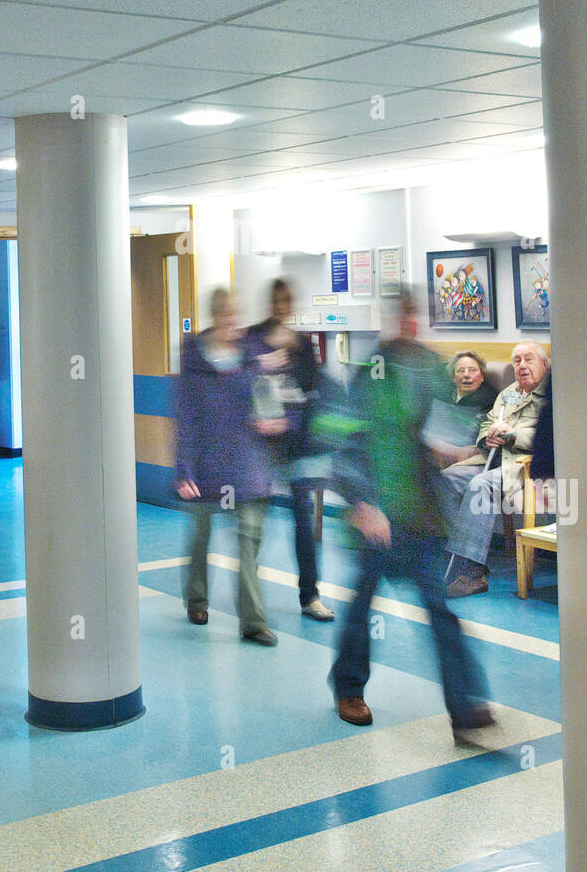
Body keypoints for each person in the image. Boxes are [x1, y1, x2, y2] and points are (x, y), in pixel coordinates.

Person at [325, 290, 494, 739]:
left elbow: (445, 432)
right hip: (375, 520)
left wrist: (450, 448)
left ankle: (464, 708)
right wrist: (362, 502)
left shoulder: (435, 370)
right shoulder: (369, 374)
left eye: (412, 316)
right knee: (361, 608)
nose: (407, 325)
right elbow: (345, 444)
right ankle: (348, 688)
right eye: (399, 317)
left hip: (421, 519)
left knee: (440, 610)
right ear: (388, 322)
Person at [176, 287, 284, 646]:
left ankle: (253, 623)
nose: (232, 324)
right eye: (226, 317)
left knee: (248, 546)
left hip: (247, 468)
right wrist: (184, 470)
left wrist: (277, 423)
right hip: (207, 469)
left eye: (236, 317)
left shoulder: (253, 359)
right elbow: (186, 419)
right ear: (215, 318)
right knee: (201, 537)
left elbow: (273, 406)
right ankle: (196, 600)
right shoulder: (193, 360)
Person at [247, 279, 334, 622]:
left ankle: (309, 595)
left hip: (295, 446)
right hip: (259, 447)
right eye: (277, 300)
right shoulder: (251, 339)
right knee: (253, 521)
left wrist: (296, 425)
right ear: (269, 303)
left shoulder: (301, 344)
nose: (282, 306)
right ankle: (249, 600)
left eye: (287, 301)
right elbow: (240, 381)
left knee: (302, 520)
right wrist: (262, 362)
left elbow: (314, 391)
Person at [442, 340, 554, 597]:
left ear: (544, 365)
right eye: (517, 361)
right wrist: (487, 438)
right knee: (447, 479)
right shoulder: (508, 394)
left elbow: (548, 436)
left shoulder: (554, 396)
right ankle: (458, 556)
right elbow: (488, 423)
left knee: (481, 485)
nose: (522, 366)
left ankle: (471, 573)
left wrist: (513, 434)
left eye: (529, 359)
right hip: (492, 460)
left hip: (525, 467)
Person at [430, 350, 498, 469]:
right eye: (461, 371)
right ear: (453, 377)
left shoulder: (490, 400)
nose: (466, 375)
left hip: (464, 459)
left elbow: (475, 445)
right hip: (434, 451)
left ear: (482, 376)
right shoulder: (443, 395)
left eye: (472, 370)